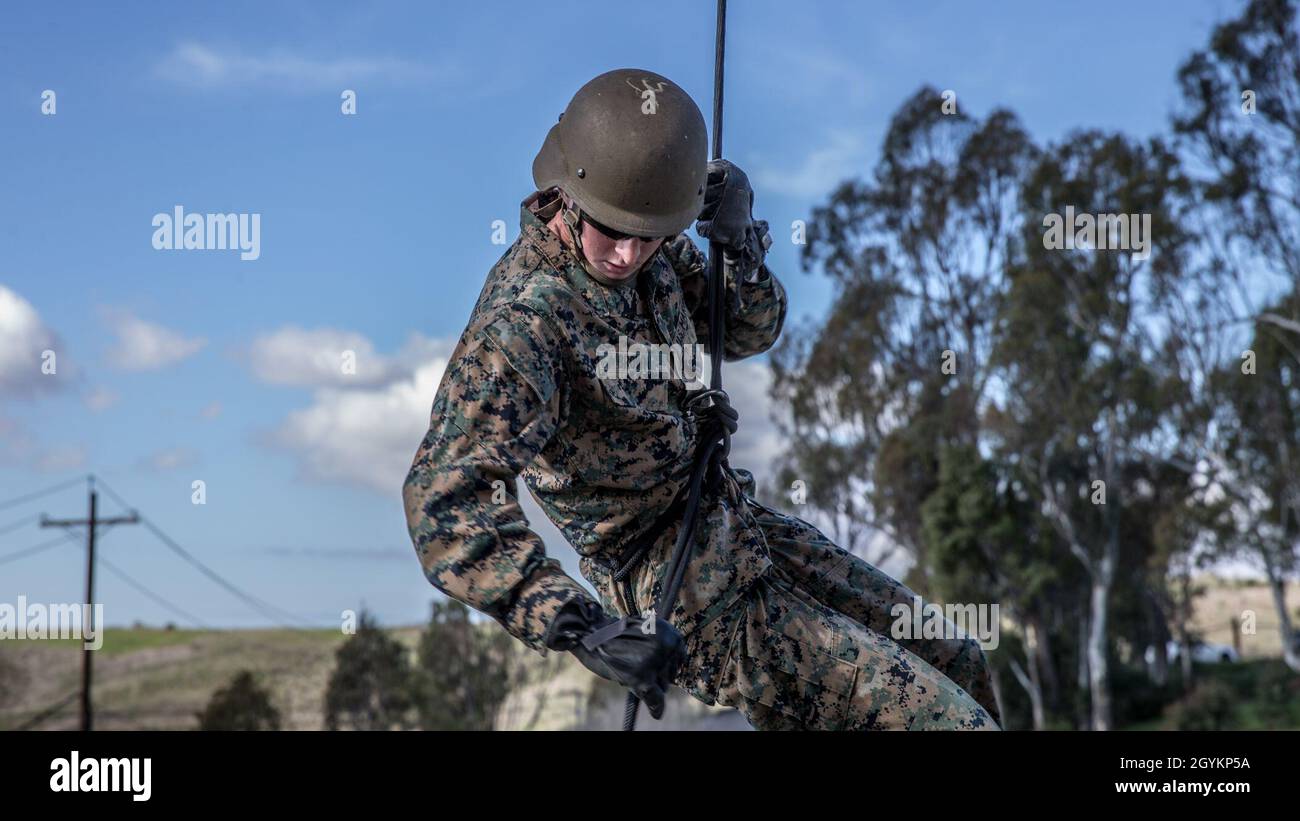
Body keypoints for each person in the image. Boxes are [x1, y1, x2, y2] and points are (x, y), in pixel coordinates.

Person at [402, 68, 1001, 730]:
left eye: (651, 233)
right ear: (565, 195)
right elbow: (443, 502)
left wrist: (739, 247)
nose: (629, 253)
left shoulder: (650, 246)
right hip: (688, 597)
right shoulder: (523, 326)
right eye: (612, 230)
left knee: (960, 658)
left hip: (738, 525)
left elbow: (747, 328)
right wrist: (580, 627)